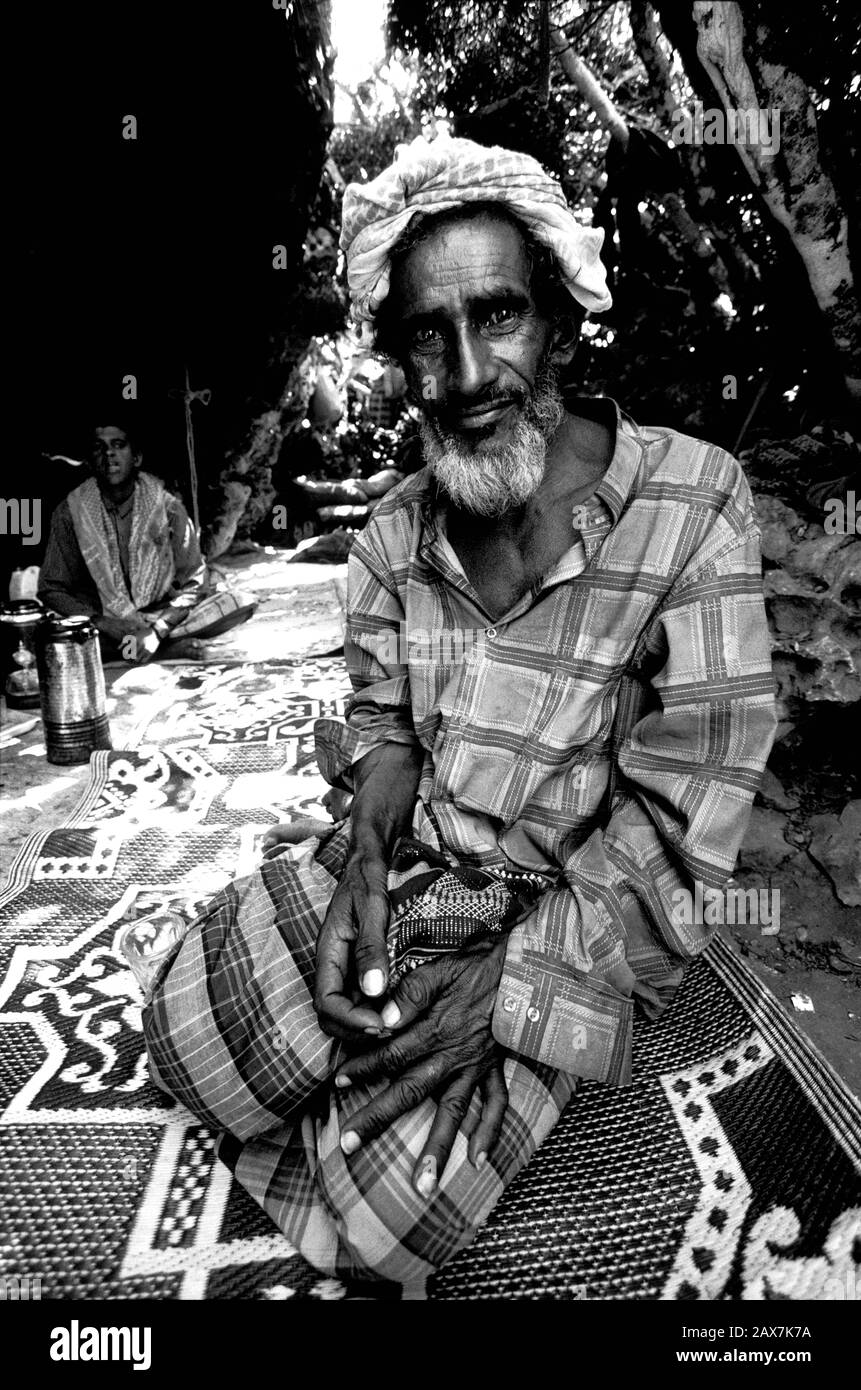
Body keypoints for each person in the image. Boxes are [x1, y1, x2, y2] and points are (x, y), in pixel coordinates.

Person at [142, 136, 777, 1290]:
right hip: (425, 868)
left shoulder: (695, 503)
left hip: (563, 903)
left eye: (501, 316)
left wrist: (506, 990)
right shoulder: (389, 536)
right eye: (429, 334)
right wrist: (369, 864)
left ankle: (351, 1105)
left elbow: (685, 821)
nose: (471, 371)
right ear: (399, 358)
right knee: (182, 1027)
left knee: (391, 1226)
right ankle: (340, 1093)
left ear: (561, 327)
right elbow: (384, 735)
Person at [38, 412, 254, 661]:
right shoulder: (70, 512)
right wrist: (103, 622)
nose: (109, 454)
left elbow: (194, 580)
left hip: (160, 616)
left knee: (236, 602)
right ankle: (164, 652)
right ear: (89, 461)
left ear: (137, 457)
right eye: (99, 448)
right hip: (103, 622)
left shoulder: (168, 508)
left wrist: (157, 631)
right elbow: (51, 588)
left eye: (118, 445)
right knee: (48, 636)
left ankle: (145, 647)